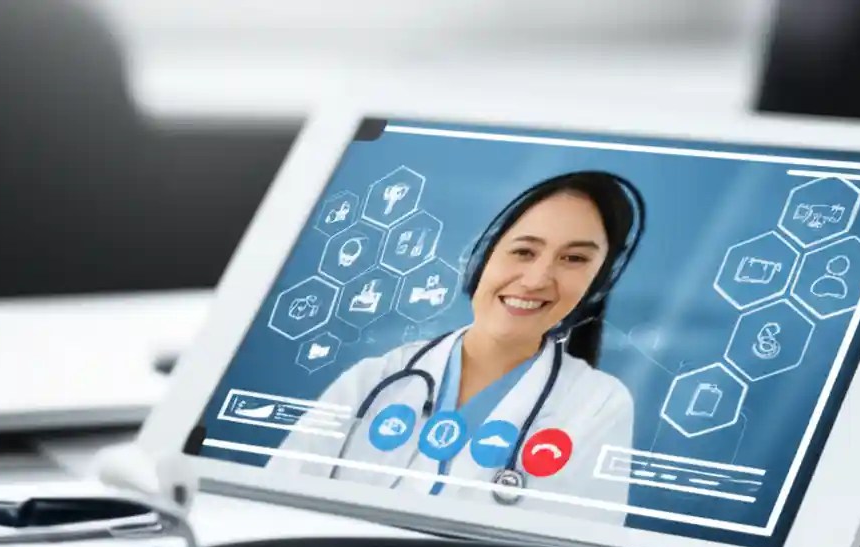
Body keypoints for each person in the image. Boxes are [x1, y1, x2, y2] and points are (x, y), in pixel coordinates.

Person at [268, 171, 643, 524]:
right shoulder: (375, 378)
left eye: (574, 259)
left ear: (598, 283)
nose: (536, 279)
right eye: (524, 251)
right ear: (486, 256)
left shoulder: (598, 405)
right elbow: (269, 507)